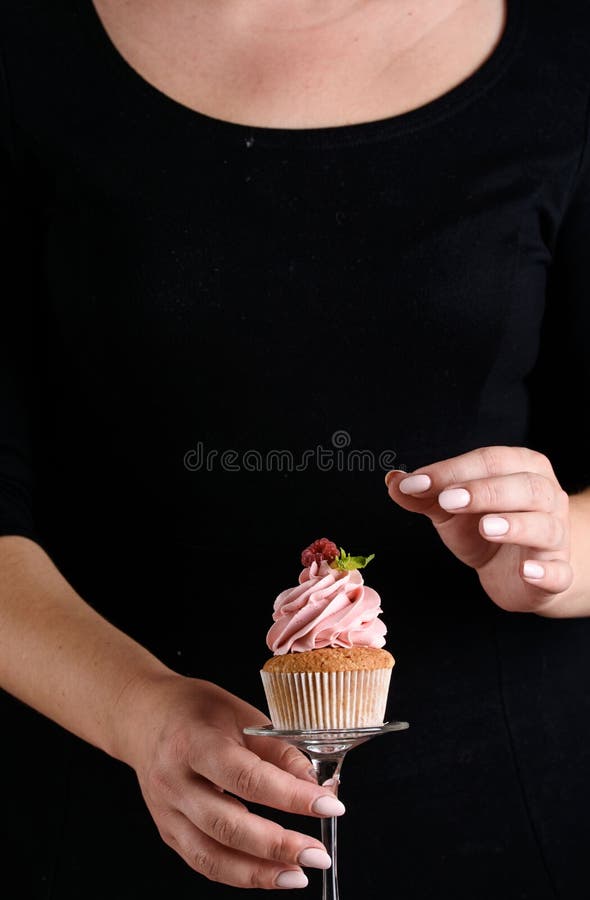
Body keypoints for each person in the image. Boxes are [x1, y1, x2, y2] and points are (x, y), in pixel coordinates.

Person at [1, 0, 589, 897]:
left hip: (513, 814)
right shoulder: (26, 48)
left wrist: (563, 554)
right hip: (105, 796)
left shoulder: (569, 49)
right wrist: (137, 711)